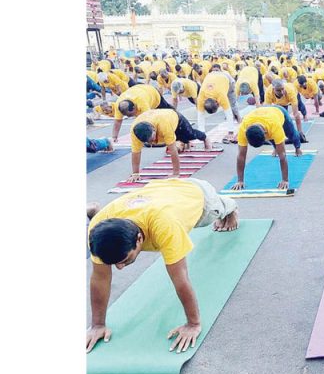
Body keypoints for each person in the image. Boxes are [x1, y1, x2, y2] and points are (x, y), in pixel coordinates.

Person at [86, 178, 239, 353]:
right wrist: (97, 325)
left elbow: (180, 278)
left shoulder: (164, 225)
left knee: (216, 211)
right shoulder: (98, 229)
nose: (119, 268)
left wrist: (193, 324)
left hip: (197, 194)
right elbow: (100, 278)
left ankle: (231, 207)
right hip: (160, 190)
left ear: (139, 239)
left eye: (124, 260)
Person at [127, 109, 211, 182]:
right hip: (156, 117)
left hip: (175, 119)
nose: (151, 142)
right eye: (148, 141)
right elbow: (135, 153)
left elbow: (173, 150)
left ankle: (205, 138)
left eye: (152, 139)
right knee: (181, 140)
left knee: (190, 135)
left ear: (153, 129)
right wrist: (135, 173)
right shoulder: (135, 133)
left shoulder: (163, 125)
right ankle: (185, 143)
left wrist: (176, 173)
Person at [232, 105, 302, 191]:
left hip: (279, 111)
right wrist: (240, 181)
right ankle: (276, 147)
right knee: (275, 140)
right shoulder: (243, 128)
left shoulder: (274, 126)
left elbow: (283, 155)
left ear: (265, 133)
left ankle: (298, 147)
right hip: (262, 113)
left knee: (291, 135)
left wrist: (285, 180)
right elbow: (241, 156)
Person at [110, 84, 175, 142]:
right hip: (138, 90)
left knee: (166, 111)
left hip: (152, 93)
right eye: (126, 115)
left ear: (134, 107)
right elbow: (117, 121)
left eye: (130, 114)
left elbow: (150, 120)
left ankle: (176, 118)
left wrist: (152, 136)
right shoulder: (119, 105)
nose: (129, 116)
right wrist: (114, 137)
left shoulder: (142, 102)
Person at [265, 79, 308, 143]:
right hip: (280, 103)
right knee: (282, 116)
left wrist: (300, 132)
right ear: (273, 89)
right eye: (278, 90)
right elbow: (267, 113)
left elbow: (296, 114)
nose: (282, 92)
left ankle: (305, 115)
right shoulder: (268, 93)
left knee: (300, 107)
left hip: (293, 95)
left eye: (282, 89)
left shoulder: (290, 91)